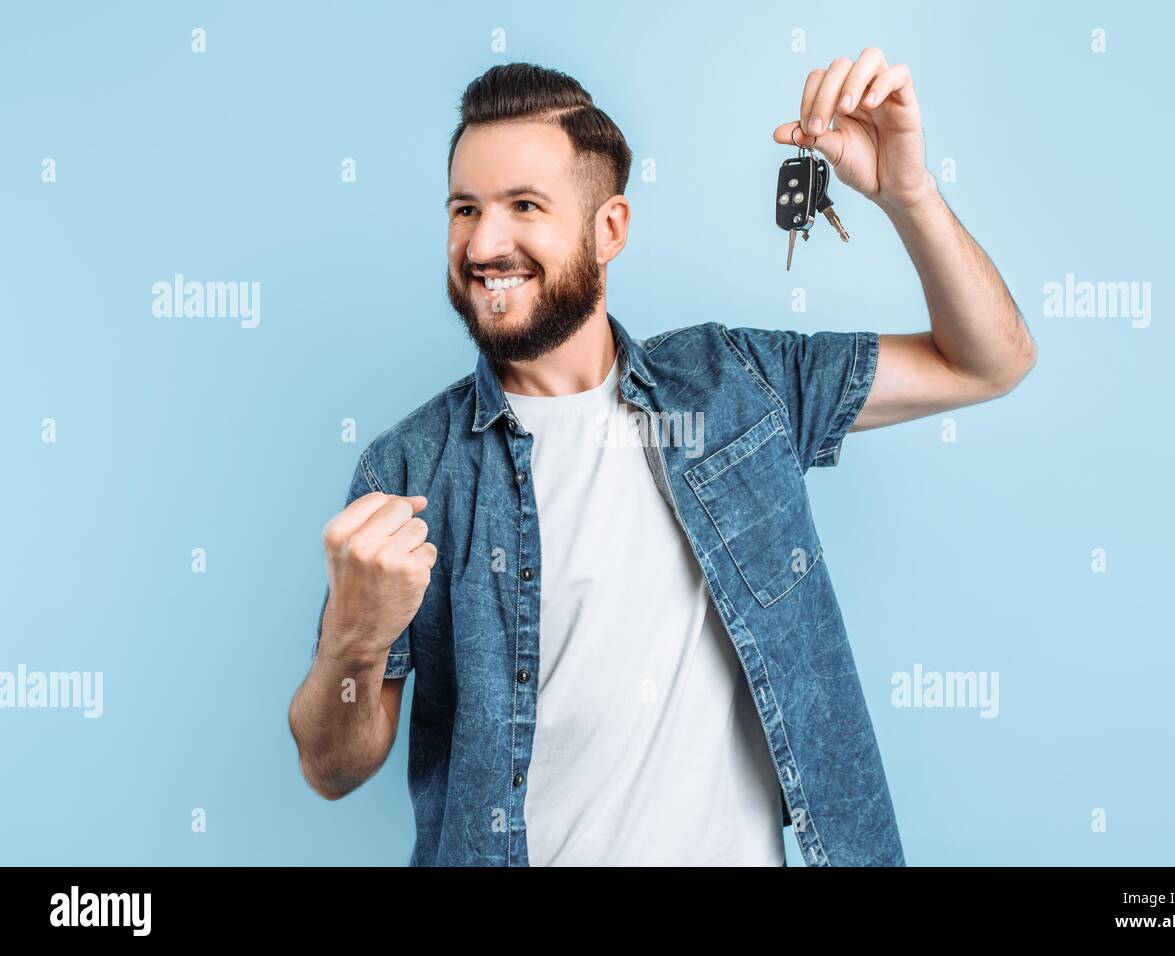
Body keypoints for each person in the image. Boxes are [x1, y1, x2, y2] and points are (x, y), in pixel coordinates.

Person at [288, 52, 1036, 867]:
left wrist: (908, 195)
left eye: (524, 205)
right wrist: (354, 642)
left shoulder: (738, 387)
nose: (483, 243)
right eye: (464, 209)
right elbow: (331, 770)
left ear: (609, 229)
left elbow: (988, 361)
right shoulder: (409, 470)